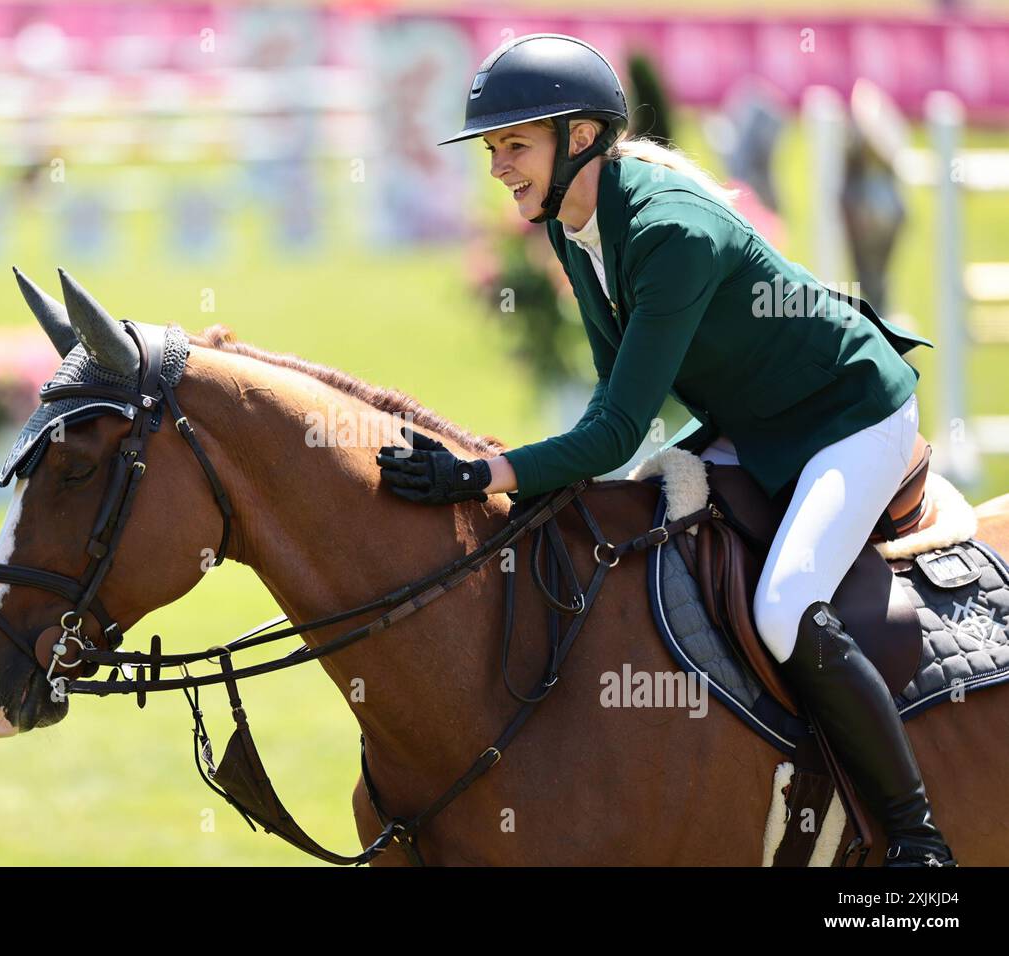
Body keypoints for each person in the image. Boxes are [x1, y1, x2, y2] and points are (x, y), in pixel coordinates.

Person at [376, 33, 955, 867]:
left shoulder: (669, 232)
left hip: (848, 417)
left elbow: (611, 430)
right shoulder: (577, 226)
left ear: (581, 138)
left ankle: (918, 839)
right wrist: (513, 475)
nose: (498, 165)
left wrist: (482, 474)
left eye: (515, 144)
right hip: (752, 421)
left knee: (785, 606)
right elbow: (621, 419)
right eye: (492, 148)